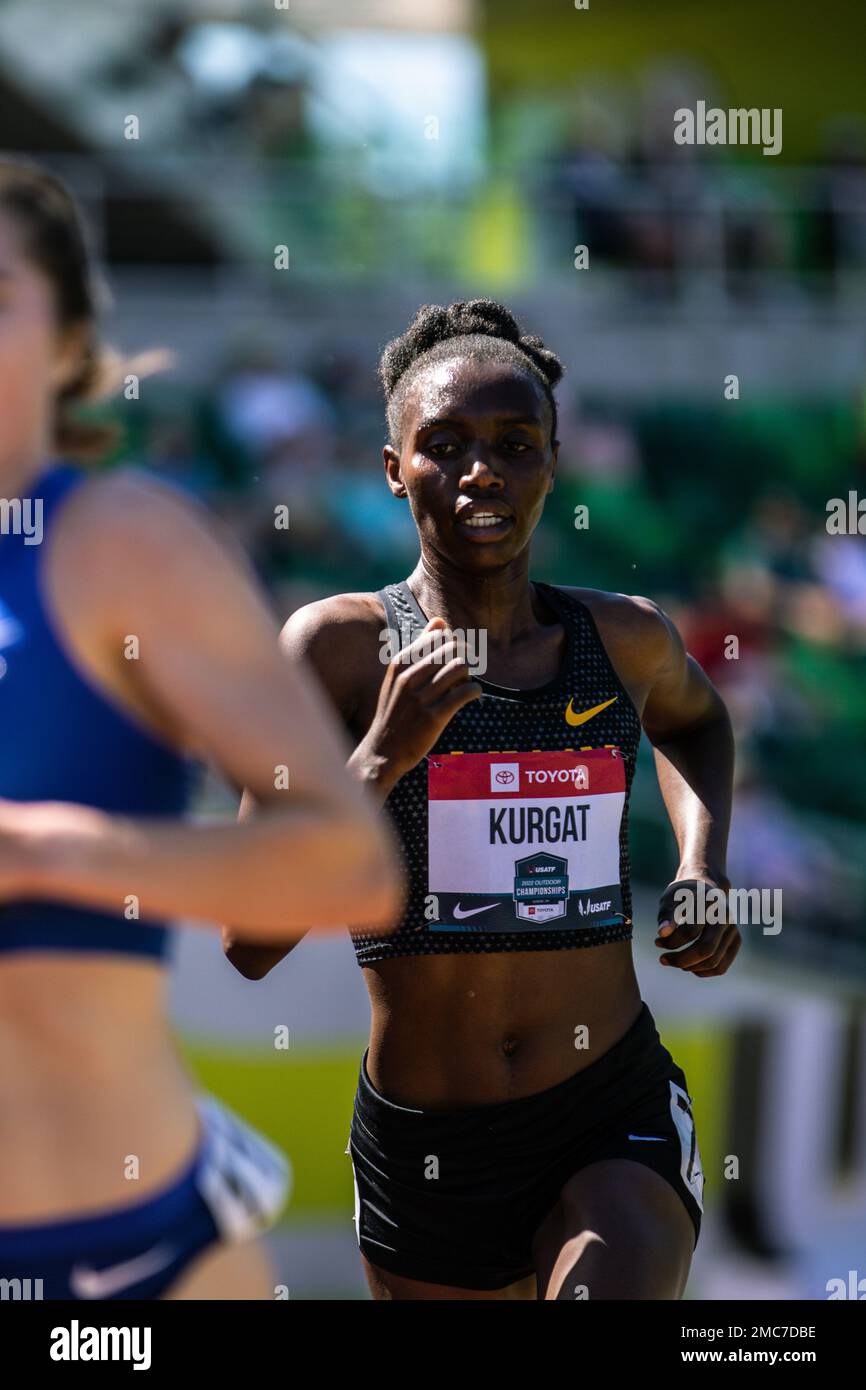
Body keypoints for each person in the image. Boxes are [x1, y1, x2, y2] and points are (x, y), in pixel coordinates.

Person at [225, 298, 737, 1300]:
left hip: (606, 1111)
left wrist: (699, 864)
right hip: (426, 1152)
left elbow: (696, 720)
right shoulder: (335, 649)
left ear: (551, 460)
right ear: (390, 467)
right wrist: (382, 755)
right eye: (443, 445)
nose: (478, 473)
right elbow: (249, 940)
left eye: (512, 444)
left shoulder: (620, 640)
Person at [0, 158, 402, 1300]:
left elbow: (347, 865)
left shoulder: (124, 544)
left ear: (74, 344)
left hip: (129, 1258)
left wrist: (31, 854)